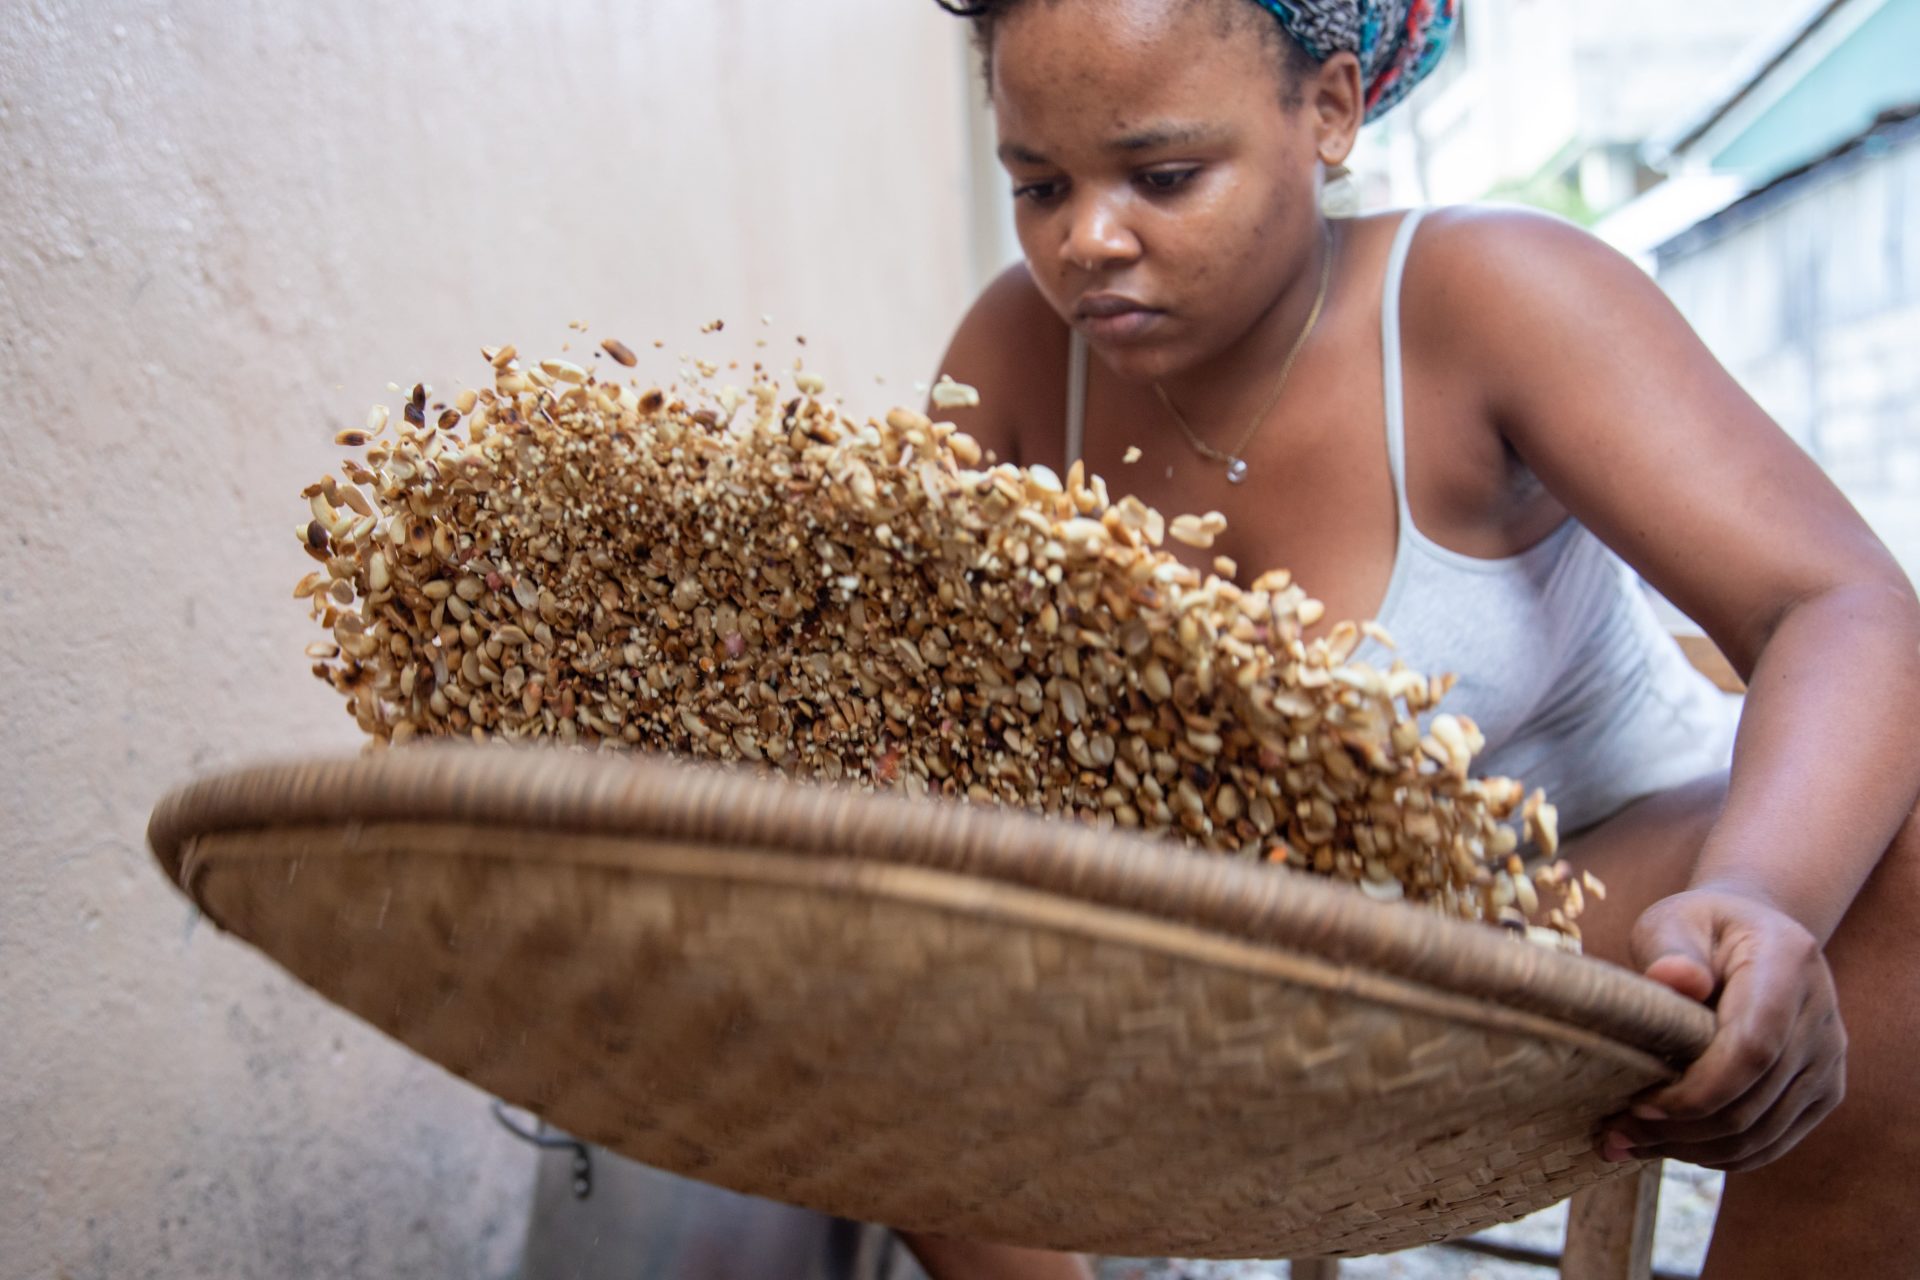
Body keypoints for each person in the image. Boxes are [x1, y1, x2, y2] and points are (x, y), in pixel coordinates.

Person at [899, 0, 1920, 1276]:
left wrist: (1761, 889)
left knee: (1899, 856)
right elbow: (914, 704)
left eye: (1164, 176)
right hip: (1249, 989)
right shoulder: (1014, 357)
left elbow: (1836, 606)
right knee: (864, 978)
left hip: (1568, 927)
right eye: (1037, 183)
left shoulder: (1489, 294)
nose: (1090, 239)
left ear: (1327, 111)